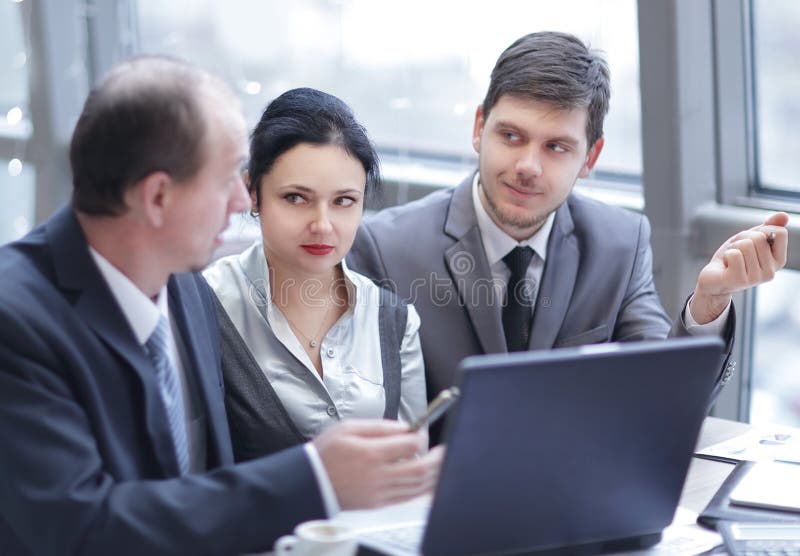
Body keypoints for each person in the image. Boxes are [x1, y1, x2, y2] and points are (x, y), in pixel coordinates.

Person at [0, 57, 441, 556]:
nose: (240, 199)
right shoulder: (15, 319)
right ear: (158, 197)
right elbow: (83, 530)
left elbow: (202, 479)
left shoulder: (183, 285)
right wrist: (315, 477)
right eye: (227, 178)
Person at [347, 31, 789, 443]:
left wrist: (710, 301)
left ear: (590, 157)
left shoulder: (620, 243)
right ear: (479, 127)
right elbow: (358, 420)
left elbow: (665, 402)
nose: (528, 166)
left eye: (556, 147)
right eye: (511, 136)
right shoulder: (384, 248)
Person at [203, 88, 427, 461]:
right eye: (296, 198)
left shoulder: (395, 321)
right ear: (253, 193)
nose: (322, 225)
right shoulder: (205, 305)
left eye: (344, 201)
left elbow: (409, 464)